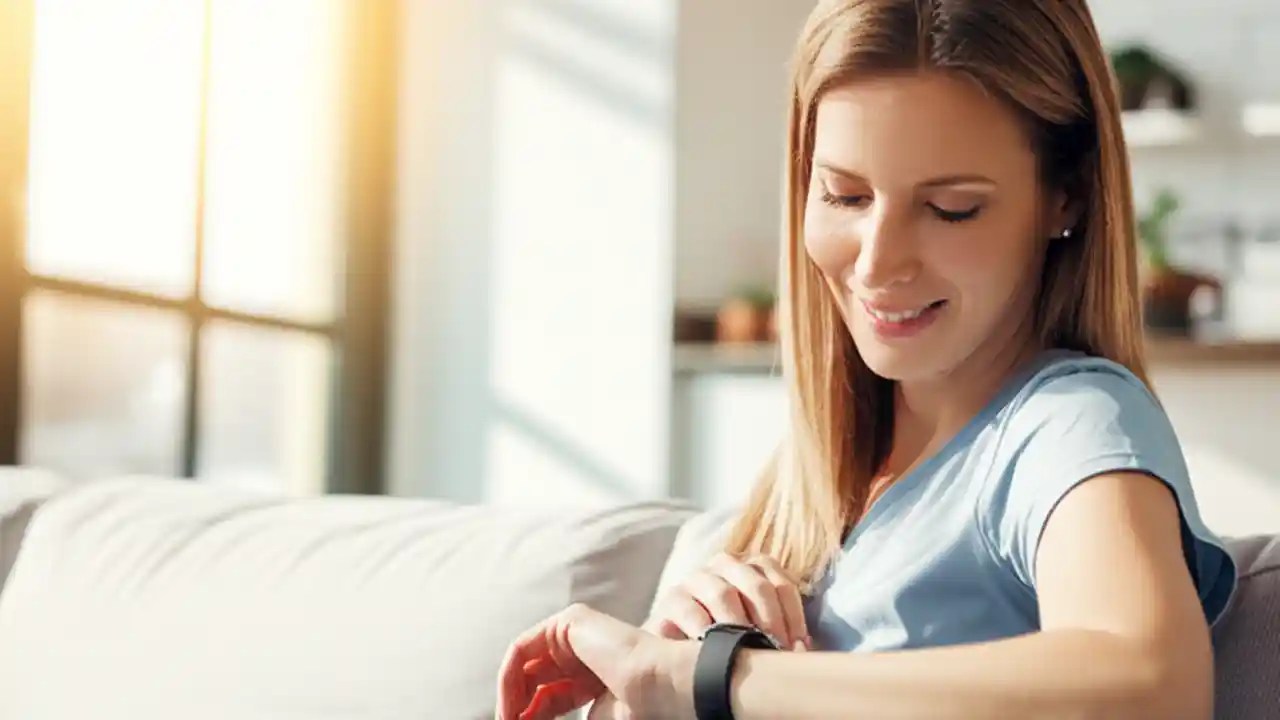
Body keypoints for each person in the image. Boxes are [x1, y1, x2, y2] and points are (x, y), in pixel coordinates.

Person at [495, 0, 1238, 717]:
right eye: (845, 196)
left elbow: (1150, 687)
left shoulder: (1068, 425)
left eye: (951, 208)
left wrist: (720, 677)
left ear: (1065, 198)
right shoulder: (825, 473)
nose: (879, 265)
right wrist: (656, 675)